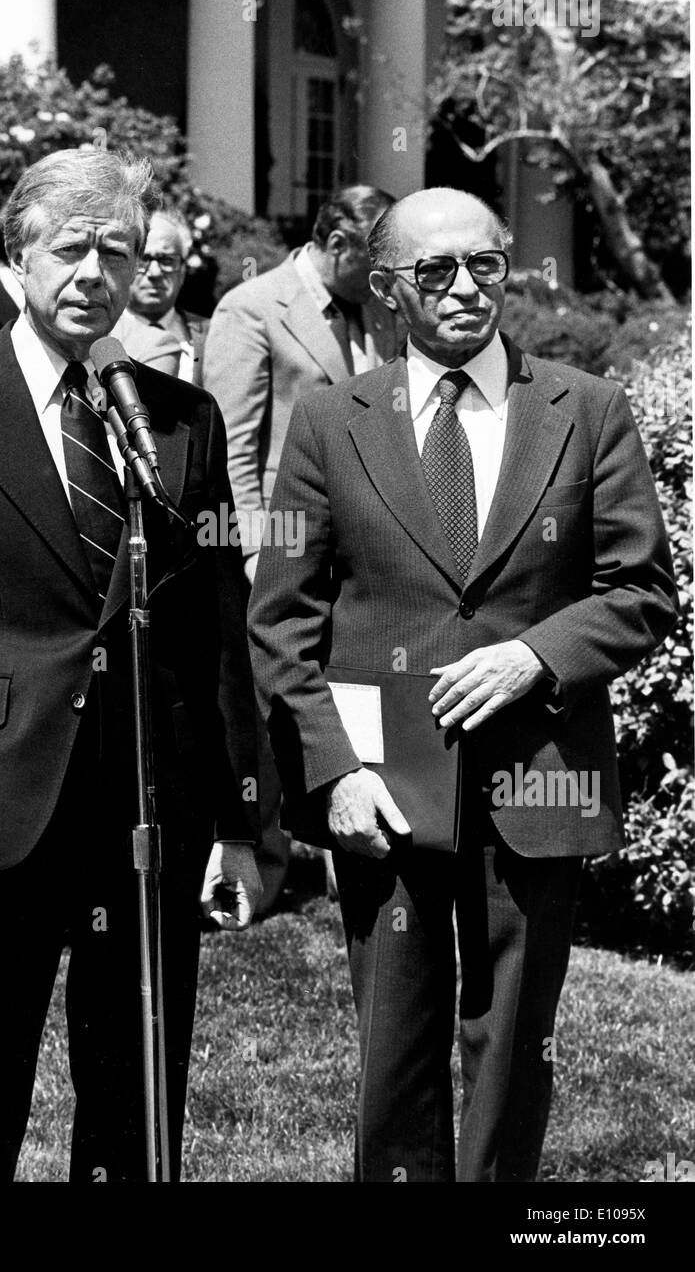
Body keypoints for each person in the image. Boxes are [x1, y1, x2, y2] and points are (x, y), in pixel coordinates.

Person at [0, 147, 261, 1183]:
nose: (92, 274)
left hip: (143, 809)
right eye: (69, 248)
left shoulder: (176, 418)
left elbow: (213, 629)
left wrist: (240, 819)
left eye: (116, 251)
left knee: (133, 1088)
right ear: (17, 257)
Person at [247, 187, 678, 1182]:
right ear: (388, 289)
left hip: (539, 779)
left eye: (483, 265)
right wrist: (330, 772)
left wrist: (534, 655)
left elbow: (639, 588)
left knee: (512, 1051)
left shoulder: (583, 408)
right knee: (393, 1049)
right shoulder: (323, 420)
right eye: (433, 272)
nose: (462, 289)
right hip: (382, 790)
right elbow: (280, 618)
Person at [203, 184, 399, 912]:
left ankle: (350, 844)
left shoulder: (379, 309)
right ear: (336, 242)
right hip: (280, 545)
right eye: (376, 256)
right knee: (267, 710)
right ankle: (260, 864)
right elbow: (231, 442)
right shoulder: (252, 308)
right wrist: (258, 552)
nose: (390, 272)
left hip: (367, 548)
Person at [115, 209, 209, 384]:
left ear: (182, 271)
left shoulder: (212, 335)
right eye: (144, 259)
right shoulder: (100, 335)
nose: (155, 272)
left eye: (166, 260)